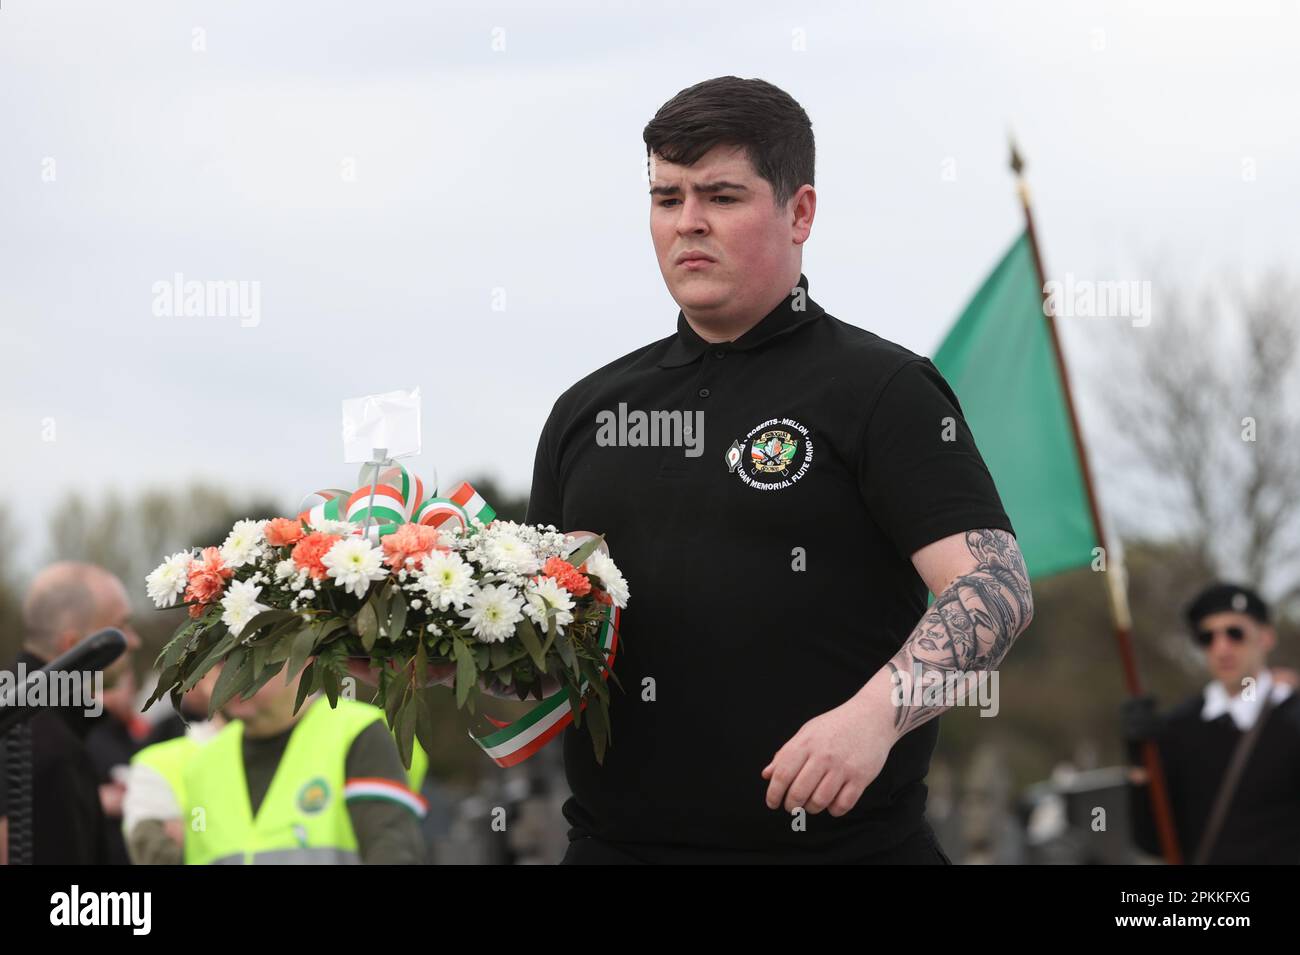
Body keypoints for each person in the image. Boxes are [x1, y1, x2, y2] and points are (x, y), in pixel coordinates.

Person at [525, 76, 1034, 864]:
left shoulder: (883, 390)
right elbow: (548, 665)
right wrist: (411, 650)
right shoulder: (587, 411)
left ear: (800, 212)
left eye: (722, 196)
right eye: (667, 198)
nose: (688, 223)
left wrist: (873, 717)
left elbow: (996, 591)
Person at [180, 664, 428, 864]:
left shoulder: (356, 732)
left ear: (305, 657)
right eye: (219, 659)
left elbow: (391, 850)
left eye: (249, 653)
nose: (230, 673)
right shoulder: (201, 764)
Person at [1124, 583, 1300, 864]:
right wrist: (1140, 763)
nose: (1221, 648)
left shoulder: (1293, 721)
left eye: (1235, 633)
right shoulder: (1177, 727)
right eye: (1208, 637)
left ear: (1266, 637)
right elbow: (1153, 842)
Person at [0, 561, 141, 865]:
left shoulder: (26, 716)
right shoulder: (42, 744)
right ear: (76, 645)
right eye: (122, 625)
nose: (134, 641)